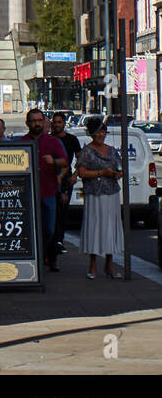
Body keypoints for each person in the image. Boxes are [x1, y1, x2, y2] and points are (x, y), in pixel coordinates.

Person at [77, 116, 124, 278]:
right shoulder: (87, 151)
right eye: (98, 132)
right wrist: (102, 173)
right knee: (95, 226)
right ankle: (92, 265)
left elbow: (120, 167)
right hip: (95, 194)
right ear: (92, 134)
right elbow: (82, 173)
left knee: (111, 226)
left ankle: (109, 264)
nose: (101, 135)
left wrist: (118, 173)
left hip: (111, 192)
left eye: (103, 132)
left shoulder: (111, 150)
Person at [24, 108, 68, 272]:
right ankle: (38, 258)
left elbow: (65, 162)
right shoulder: (22, 141)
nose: (36, 123)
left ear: (44, 122)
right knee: (30, 229)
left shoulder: (53, 142)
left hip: (48, 191)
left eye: (39, 120)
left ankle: (48, 255)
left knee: (49, 229)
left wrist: (53, 162)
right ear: (28, 123)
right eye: (33, 121)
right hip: (28, 194)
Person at [50, 112, 81, 250]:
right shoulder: (49, 139)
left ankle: (59, 241)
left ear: (64, 123)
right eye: (55, 122)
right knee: (51, 211)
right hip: (50, 178)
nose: (57, 125)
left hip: (66, 180)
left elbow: (80, 160)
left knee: (62, 211)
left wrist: (75, 175)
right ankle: (51, 241)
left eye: (59, 122)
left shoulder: (72, 139)